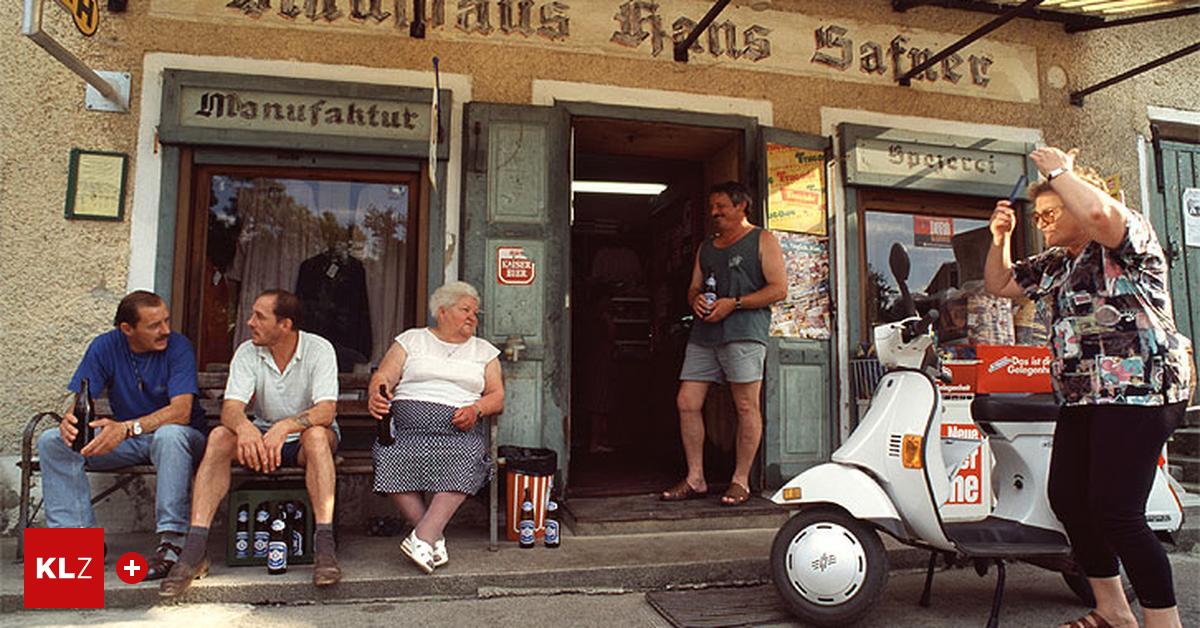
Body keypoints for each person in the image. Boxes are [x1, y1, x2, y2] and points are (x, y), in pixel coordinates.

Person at [984, 147, 1193, 628]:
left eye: (1052, 212)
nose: (1044, 223)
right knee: (1070, 501)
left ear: (1078, 202)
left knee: (1118, 511)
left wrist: (1060, 171)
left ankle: (1165, 622)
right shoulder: (1057, 263)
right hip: (1083, 395)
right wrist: (1002, 238)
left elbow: (1100, 212)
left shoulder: (1127, 239)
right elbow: (999, 284)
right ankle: (1114, 610)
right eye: (1038, 217)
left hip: (1141, 391)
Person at [161, 289, 342, 596]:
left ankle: (325, 547)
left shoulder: (319, 349)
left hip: (306, 439)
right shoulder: (248, 351)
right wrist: (244, 428)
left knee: (314, 436)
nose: (249, 322)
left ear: (285, 324)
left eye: (259, 316)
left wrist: (286, 426)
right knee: (219, 436)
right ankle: (194, 551)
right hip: (259, 436)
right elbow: (231, 407)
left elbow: (325, 410)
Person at [36, 291, 207, 579]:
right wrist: (71, 423)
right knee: (52, 442)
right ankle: (76, 547)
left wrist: (127, 428)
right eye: (155, 325)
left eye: (167, 321)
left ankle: (172, 544)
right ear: (127, 329)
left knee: (170, 435)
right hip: (130, 438)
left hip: (182, 439)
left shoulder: (179, 347)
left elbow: (181, 412)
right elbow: (82, 398)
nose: (165, 330)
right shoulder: (105, 346)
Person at [661, 181, 787, 507]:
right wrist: (696, 300)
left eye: (721, 207)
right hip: (704, 335)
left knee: (746, 406)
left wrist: (736, 303)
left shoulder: (763, 239)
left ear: (741, 205)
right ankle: (695, 478)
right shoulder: (707, 246)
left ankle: (740, 480)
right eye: (713, 207)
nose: (714, 213)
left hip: (745, 333)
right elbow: (693, 288)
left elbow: (778, 289)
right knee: (687, 402)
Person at [367, 281, 504, 573]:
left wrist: (476, 409)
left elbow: (497, 396)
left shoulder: (484, 351)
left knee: (469, 456)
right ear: (442, 311)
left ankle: (423, 536)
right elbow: (384, 376)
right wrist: (376, 395)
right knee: (388, 455)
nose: (472, 318)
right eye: (465, 309)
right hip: (406, 429)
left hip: (458, 429)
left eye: (475, 313)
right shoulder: (412, 340)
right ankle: (432, 539)